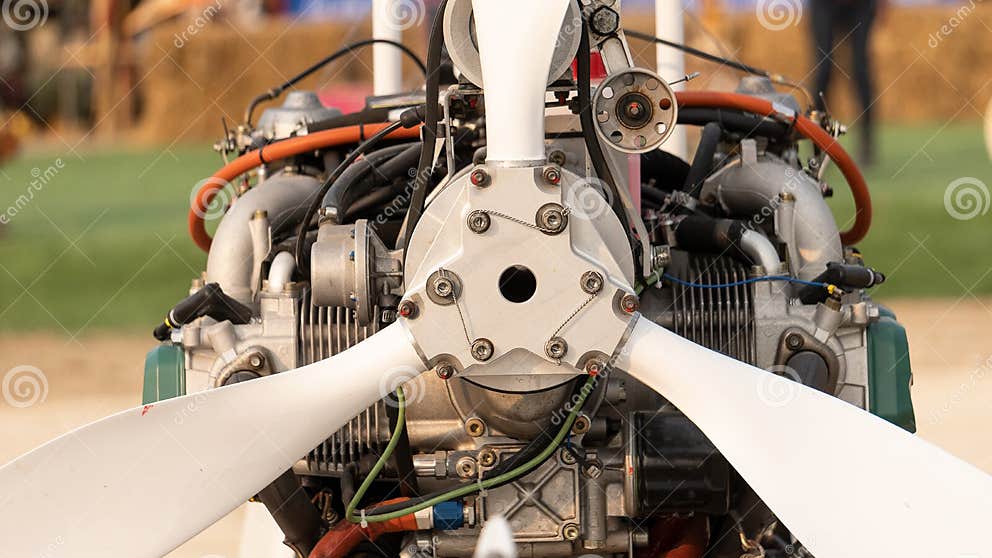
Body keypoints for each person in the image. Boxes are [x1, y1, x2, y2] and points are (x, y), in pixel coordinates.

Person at [809, 0, 886, 167]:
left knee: (861, 70)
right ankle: (817, 144)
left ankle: (867, 146)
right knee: (823, 70)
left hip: (861, 5)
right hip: (824, 5)